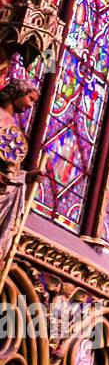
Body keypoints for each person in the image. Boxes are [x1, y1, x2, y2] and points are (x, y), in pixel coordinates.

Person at [0, 78, 41, 272]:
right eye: (30, 99)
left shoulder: (13, 124)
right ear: (17, 93)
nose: (30, 105)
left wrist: (26, 177)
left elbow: (11, 171)